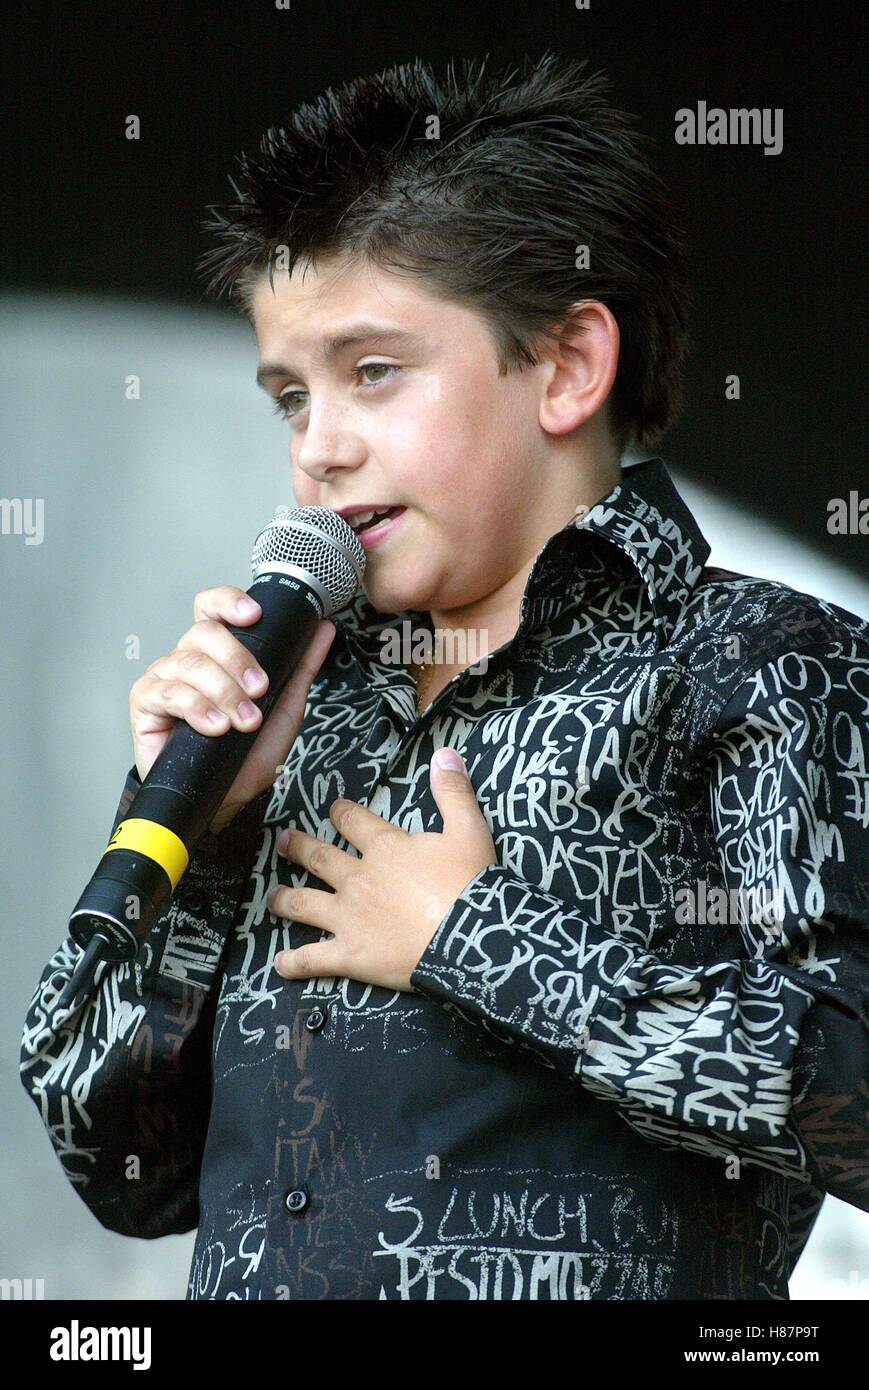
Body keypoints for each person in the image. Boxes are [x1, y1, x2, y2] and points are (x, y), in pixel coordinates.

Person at [21, 52, 868, 1300]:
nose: (319, 445)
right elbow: (123, 1169)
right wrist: (211, 836)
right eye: (288, 396)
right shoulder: (291, 699)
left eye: (372, 372)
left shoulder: (759, 663)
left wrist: (471, 934)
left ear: (570, 365)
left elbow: (849, 1099)